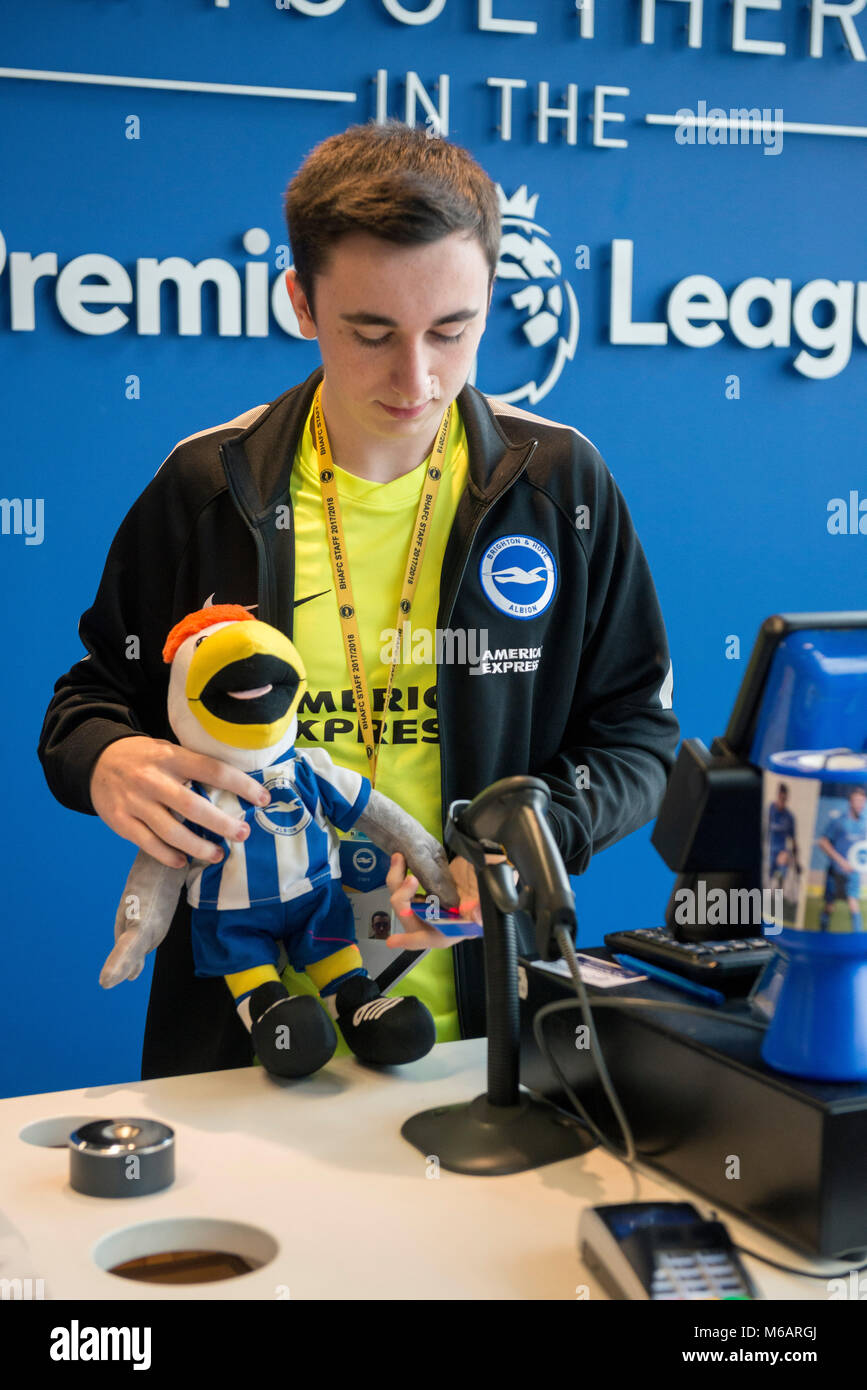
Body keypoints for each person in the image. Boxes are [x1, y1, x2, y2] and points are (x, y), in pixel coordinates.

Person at [38, 119, 680, 1080]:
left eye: (452, 330)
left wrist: (537, 825)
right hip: (246, 1034)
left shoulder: (560, 486)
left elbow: (638, 736)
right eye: (371, 332)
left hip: (485, 1040)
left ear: (489, 298)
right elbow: (87, 701)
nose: (415, 378)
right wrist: (107, 761)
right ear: (301, 300)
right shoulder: (206, 486)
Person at [816, 786, 867, 932]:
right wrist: (841, 861)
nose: (860, 804)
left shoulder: (864, 823)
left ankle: (858, 942)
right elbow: (823, 842)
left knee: (853, 905)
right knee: (829, 907)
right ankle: (822, 935)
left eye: (862, 801)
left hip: (853, 872)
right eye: (857, 800)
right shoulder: (839, 821)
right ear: (850, 802)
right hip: (836, 871)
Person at [766, 782, 801, 894]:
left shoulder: (789, 817)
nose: (782, 801)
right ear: (778, 795)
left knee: (780, 877)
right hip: (768, 851)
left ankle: (776, 904)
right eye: (781, 798)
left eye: (785, 799)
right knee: (766, 882)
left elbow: (793, 841)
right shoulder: (769, 810)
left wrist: (796, 862)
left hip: (780, 852)